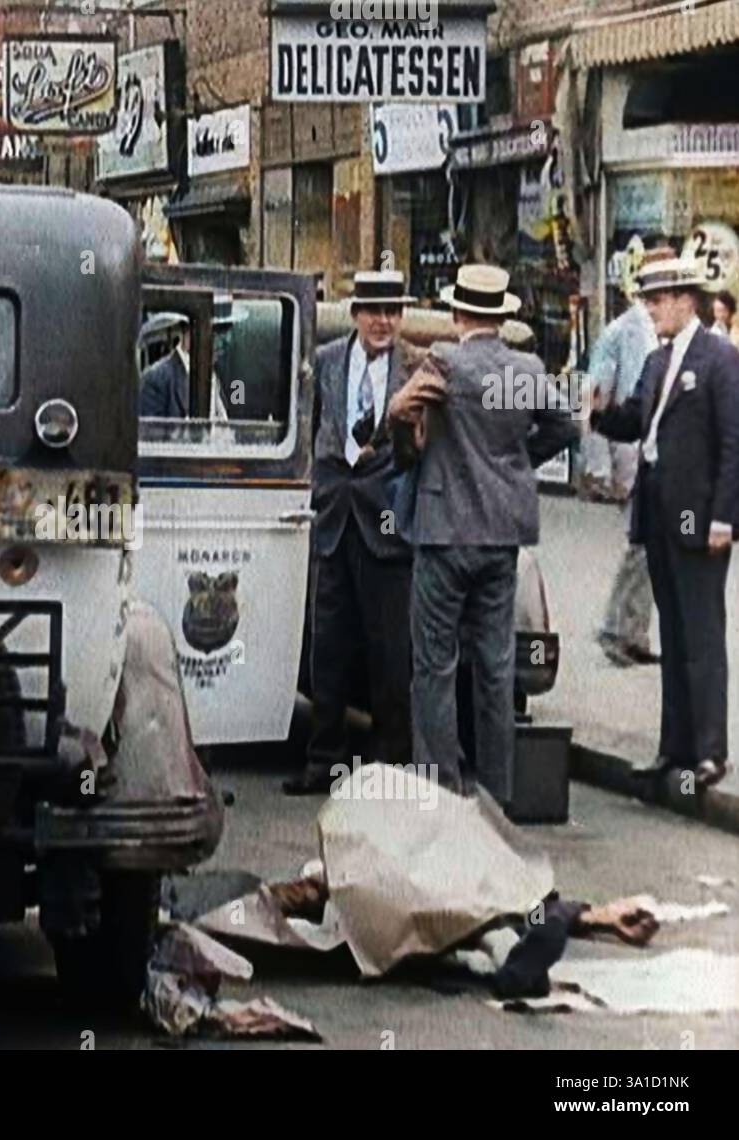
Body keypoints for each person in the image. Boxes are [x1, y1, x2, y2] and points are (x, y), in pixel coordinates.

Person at [388, 265, 579, 802]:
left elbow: (402, 417)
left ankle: (441, 790)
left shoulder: (444, 364)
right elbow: (567, 426)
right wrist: (518, 462)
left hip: (444, 530)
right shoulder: (525, 368)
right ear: (501, 316)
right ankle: (497, 796)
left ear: (457, 314)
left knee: (434, 667)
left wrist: (410, 443)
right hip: (502, 534)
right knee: (496, 669)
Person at [592, 255, 739, 792]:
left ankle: (709, 752)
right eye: (647, 302)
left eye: (656, 301)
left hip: (699, 519)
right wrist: (600, 415)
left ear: (684, 299)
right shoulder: (657, 362)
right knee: (673, 636)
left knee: (701, 635)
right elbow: (636, 420)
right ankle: (673, 748)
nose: (650, 311)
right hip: (657, 515)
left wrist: (726, 515)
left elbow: (733, 443)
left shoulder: (720, 358)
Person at [284, 270, 417, 796]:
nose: (383, 321)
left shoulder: (417, 369)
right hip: (334, 520)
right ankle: (325, 761)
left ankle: (389, 766)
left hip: (387, 524)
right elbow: (310, 425)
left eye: (393, 312)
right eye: (374, 311)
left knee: (391, 652)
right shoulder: (327, 361)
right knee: (327, 648)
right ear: (357, 314)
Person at [589, 251, 673, 667]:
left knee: (650, 544)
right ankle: (616, 627)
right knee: (642, 544)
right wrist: (601, 466)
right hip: (632, 450)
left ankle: (632, 630)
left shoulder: (665, 334)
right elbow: (597, 396)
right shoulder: (622, 330)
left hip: (654, 450)